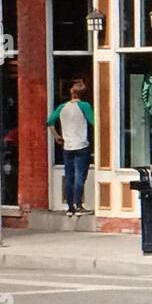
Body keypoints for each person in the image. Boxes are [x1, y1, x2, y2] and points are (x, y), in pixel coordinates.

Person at [47, 80, 94, 216]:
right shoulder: (84, 106)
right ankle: (78, 204)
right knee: (80, 176)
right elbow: (93, 121)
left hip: (67, 146)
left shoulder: (62, 107)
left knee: (69, 177)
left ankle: (70, 207)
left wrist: (56, 136)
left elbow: (49, 121)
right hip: (81, 145)